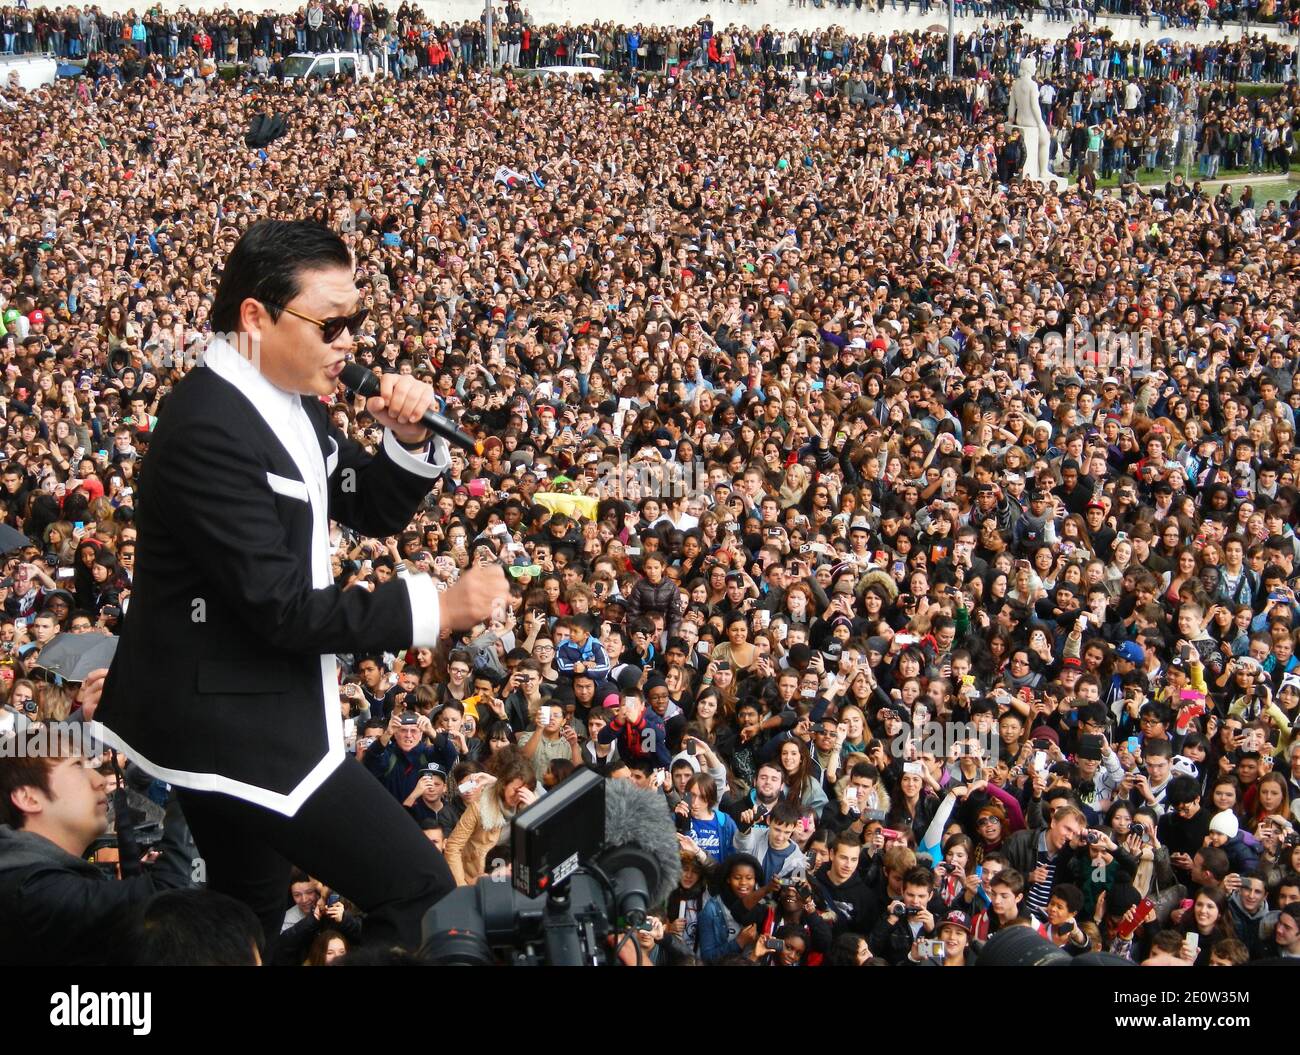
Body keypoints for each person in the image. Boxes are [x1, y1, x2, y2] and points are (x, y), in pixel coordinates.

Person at [91, 220, 510, 954]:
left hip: (251, 701)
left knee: (244, 914)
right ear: (255, 316)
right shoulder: (206, 427)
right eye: (333, 323)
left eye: (357, 321)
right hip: (238, 723)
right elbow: (279, 606)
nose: (350, 341)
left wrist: (408, 443)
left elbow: (363, 500)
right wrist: (435, 607)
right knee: (422, 898)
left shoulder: (287, 394)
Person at [0, 726, 194, 966]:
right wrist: (195, 774)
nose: (100, 780)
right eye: (78, 766)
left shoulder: (25, 876)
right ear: (29, 798)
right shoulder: (30, 892)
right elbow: (174, 896)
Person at [443, 747, 536, 885]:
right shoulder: (480, 806)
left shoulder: (528, 804)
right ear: (504, 785)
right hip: (477, 872)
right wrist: (461, 886)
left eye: (524, 792)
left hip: (512, 870)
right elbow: (453, 846)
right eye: (515, 790)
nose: (518, 796)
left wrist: (536, 810)